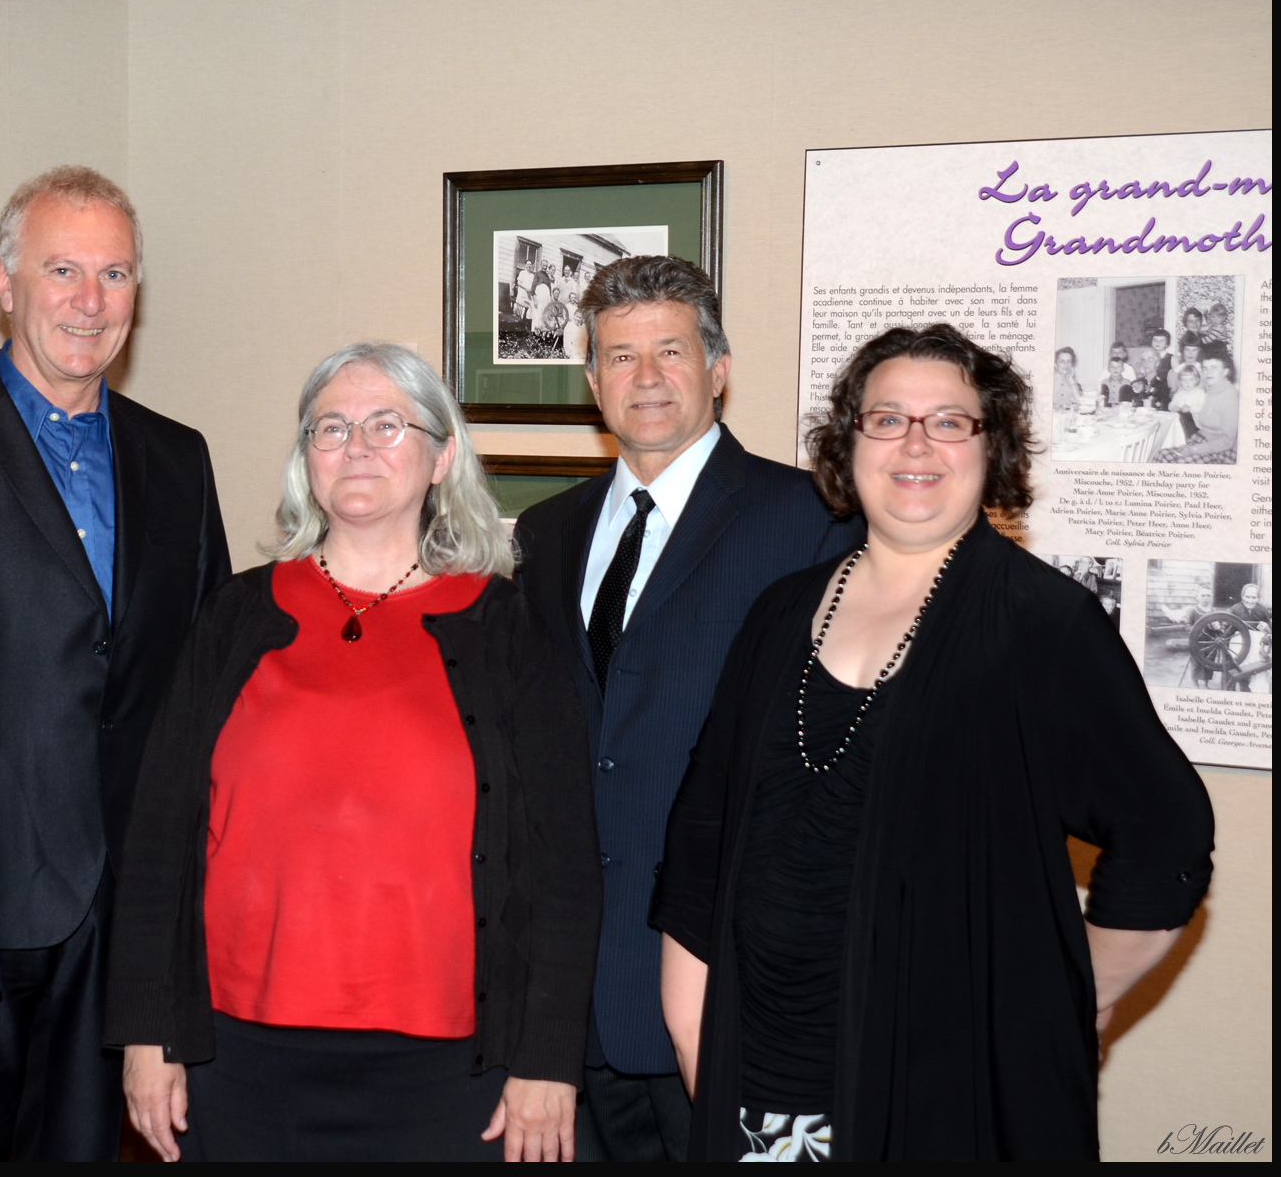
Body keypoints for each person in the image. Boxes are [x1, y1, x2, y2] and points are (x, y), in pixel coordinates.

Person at [653, 323, 1213, 1160]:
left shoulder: (1041, 624)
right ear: (850, 443)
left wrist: (1063, 1003)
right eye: (886, 419)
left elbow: (1167, 838)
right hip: (757, 1086)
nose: (916, 444)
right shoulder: (780, 611)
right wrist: (696, 1035)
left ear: (993, 450)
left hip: (950, 1101)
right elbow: (703, 832)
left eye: (949, 421)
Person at [106, 342, 601, 1162]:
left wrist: (548, 1059)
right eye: (329, 428)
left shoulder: (506, 627)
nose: (356, 446)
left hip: (453, 1071)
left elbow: (564, 866)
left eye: (386, 424)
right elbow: (157, 837)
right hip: (234, 1057)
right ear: (307, 459)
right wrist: (147, 1033)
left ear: (442, 455)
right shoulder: (237, 616)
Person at [0, 165, 232, 1162]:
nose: (88, 301)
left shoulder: (179, 460)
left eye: (114, 275)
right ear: (4, 281)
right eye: (61, 269)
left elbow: (206, 701)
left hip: (126, 914)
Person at [512, 255, 863, 1162]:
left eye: (670, 350)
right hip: (565, 1006)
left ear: (718, 367)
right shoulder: (546, 533)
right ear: (593, 382)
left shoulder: (814, 522)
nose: (648, 377)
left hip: (728, 997)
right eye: (621, 358)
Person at [1154, 342, 1237, 463]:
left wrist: (1193, 449)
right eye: (1205, 368)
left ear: (1225, 371)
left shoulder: (1230, 397)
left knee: (1166, 460)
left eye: (1214, 367)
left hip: (1221, 452)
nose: (1208, 372)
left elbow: (1226, 442)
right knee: (1161, 455)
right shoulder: (1211, 390)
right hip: (1202, 440)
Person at [1052, 346, 1085, 412]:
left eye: (1069, 361)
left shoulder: (1071, 380)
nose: (1066, 365)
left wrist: (1071, 381)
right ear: (1055, 364)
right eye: (1062, 361)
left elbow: (1081, 403)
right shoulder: (1049, 380)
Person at [1147, 329, 1174, 408]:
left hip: (1165, 392)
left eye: (1161, 341)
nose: (1158, 343)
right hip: (1150, 391)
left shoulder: (1171, 358)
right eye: (1155, 340)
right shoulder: (1148, 357)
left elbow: (1176, 378)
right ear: (1152, 342)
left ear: (1167, 344)